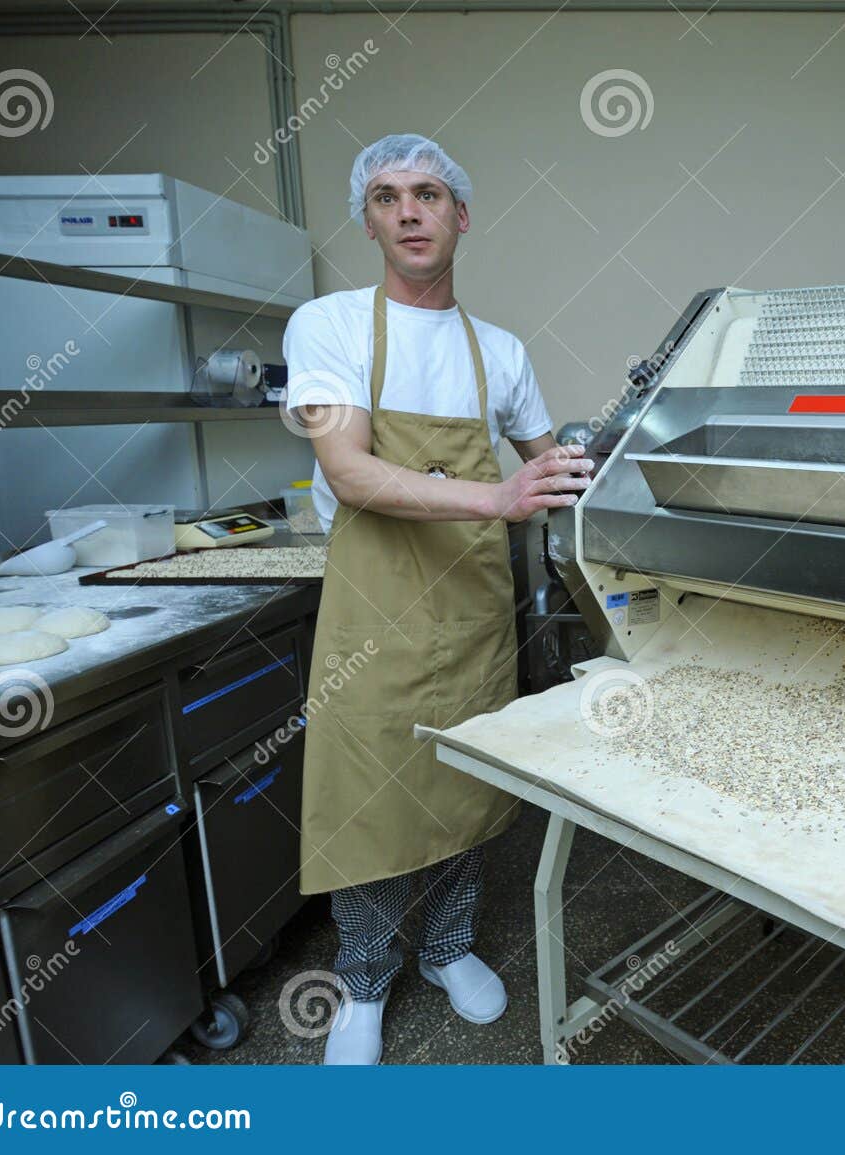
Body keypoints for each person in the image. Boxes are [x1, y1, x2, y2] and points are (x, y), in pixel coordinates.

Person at [283, 134, 594, 1065]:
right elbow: (348, 469)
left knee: (466, 778)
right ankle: (365, 983)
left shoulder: (499, 352)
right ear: (369, 219)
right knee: (368, 793)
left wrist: (609, 464)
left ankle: (449, 947)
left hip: (470, 611)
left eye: (428, 193)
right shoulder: (330, 324)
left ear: (462, 216)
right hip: (372, 615)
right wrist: (496, 497)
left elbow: (550, 467)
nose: (409, 210)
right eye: (386, 196)